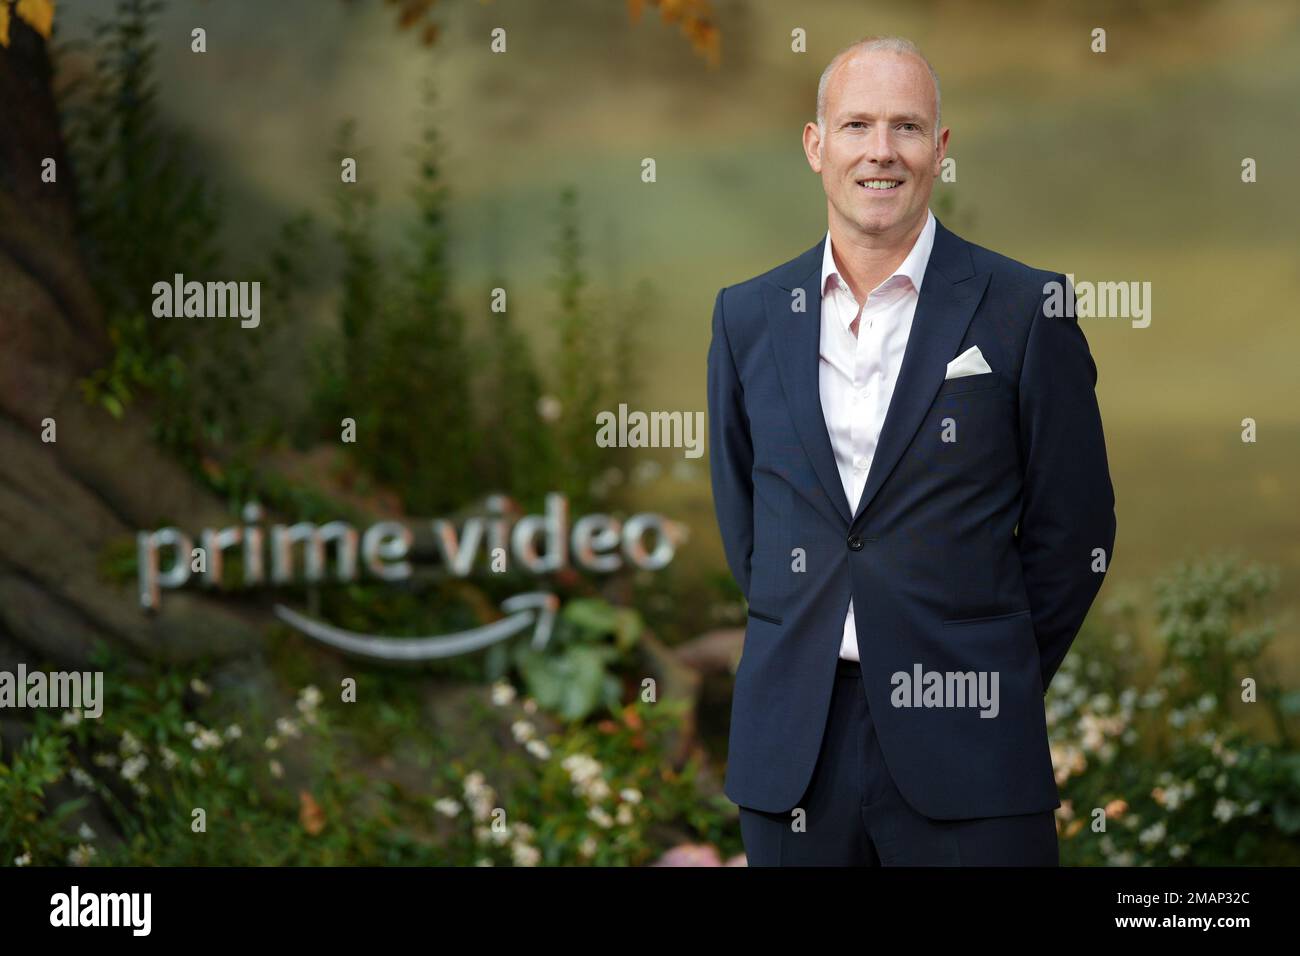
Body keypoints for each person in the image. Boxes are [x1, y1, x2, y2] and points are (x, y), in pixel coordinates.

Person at [706, 35, 1116, 865]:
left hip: (972, 751)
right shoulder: (746, 317)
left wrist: (988, 671)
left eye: (907, 127)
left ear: (941, 150)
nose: (881, 152)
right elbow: (747, 519)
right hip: (795, 757)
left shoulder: (1026, 309)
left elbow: (1076, 534)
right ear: (817, 146)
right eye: (856, 125)